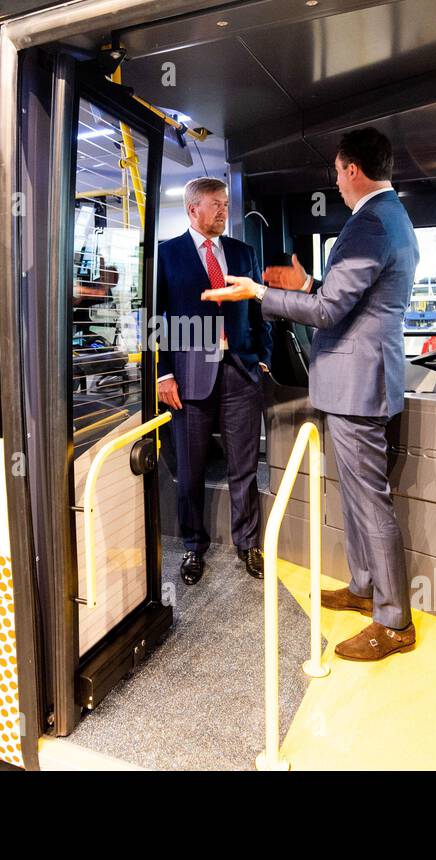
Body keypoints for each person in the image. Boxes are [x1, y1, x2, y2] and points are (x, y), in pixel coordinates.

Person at [203, 128, 420, 661]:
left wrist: (260, 292)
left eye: (339, 172)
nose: (338, 184)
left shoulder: (369, 222)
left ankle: (394, 622)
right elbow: (344, 298)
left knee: (371, 504)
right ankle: (365, 587)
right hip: (365, 382)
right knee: (358, 498)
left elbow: (329, 312)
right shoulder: (392, 217)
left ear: (351, 170)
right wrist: (302, 288)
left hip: (356, 389)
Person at [157, 177, 272, 586]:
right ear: (193, 210)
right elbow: (156, 318)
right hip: (188, 377)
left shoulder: (243, 253)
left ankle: (248, 543)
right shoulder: (165, 255)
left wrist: (263, 360)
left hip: (241, 371)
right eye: (216, 205)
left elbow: (260, 313)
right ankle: (192, 546)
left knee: (244, 466)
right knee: (189, 468)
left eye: (225, 205)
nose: (224, 211)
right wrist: (163, 373)